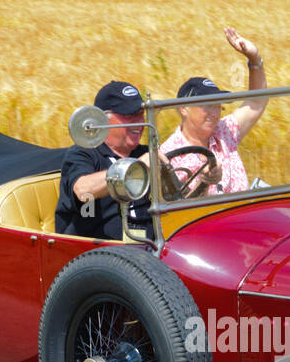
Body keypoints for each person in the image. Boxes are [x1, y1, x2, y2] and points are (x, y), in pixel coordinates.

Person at [160, 27, 267, 198]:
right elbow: (182, 210)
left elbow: (256, 102)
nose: (214, 113)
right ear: (183, 109)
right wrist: (206, 181)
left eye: (217, 106)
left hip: (246, 218)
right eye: (207, 105)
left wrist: (254, 59)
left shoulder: (224, 131)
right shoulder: (168, 155)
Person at [54, 81, 151, 239]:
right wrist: (134, 168)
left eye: (141, 114)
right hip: (94, 254)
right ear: (102, 120)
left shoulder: (145, 153)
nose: (139, 122)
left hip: (149, 248)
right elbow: (83, 190)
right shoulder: (84, 153)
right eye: (129, 116)